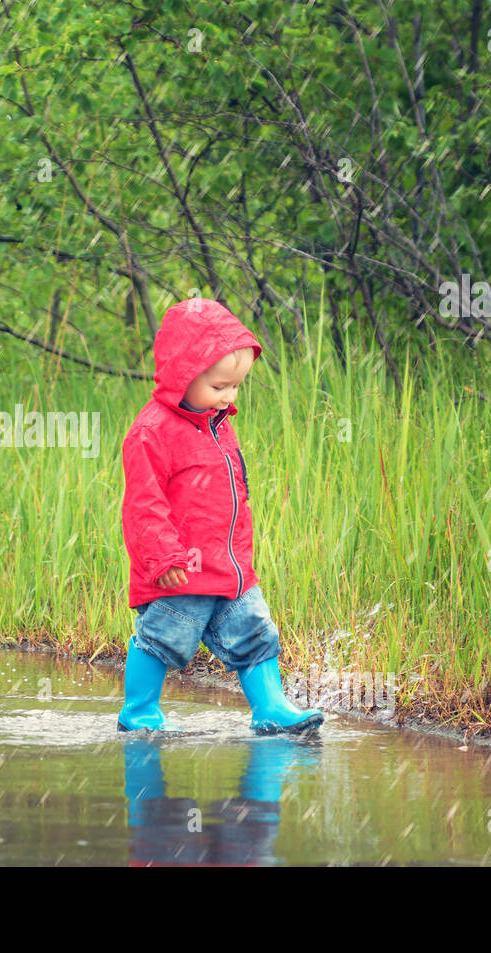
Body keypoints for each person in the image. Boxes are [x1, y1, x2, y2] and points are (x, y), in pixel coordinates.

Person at [118, 298, 323, 734]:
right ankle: (139, 713)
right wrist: (164, 559)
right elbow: (143, 503)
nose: (229, 397)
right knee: (163, 639)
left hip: (229, 569)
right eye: (218, 386)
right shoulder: (152, 432)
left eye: (236, 387)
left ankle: (271, 708)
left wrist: (241, 556)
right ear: (182, 376)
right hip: (180, 570)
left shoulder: (217, 425)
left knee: (255, 633)